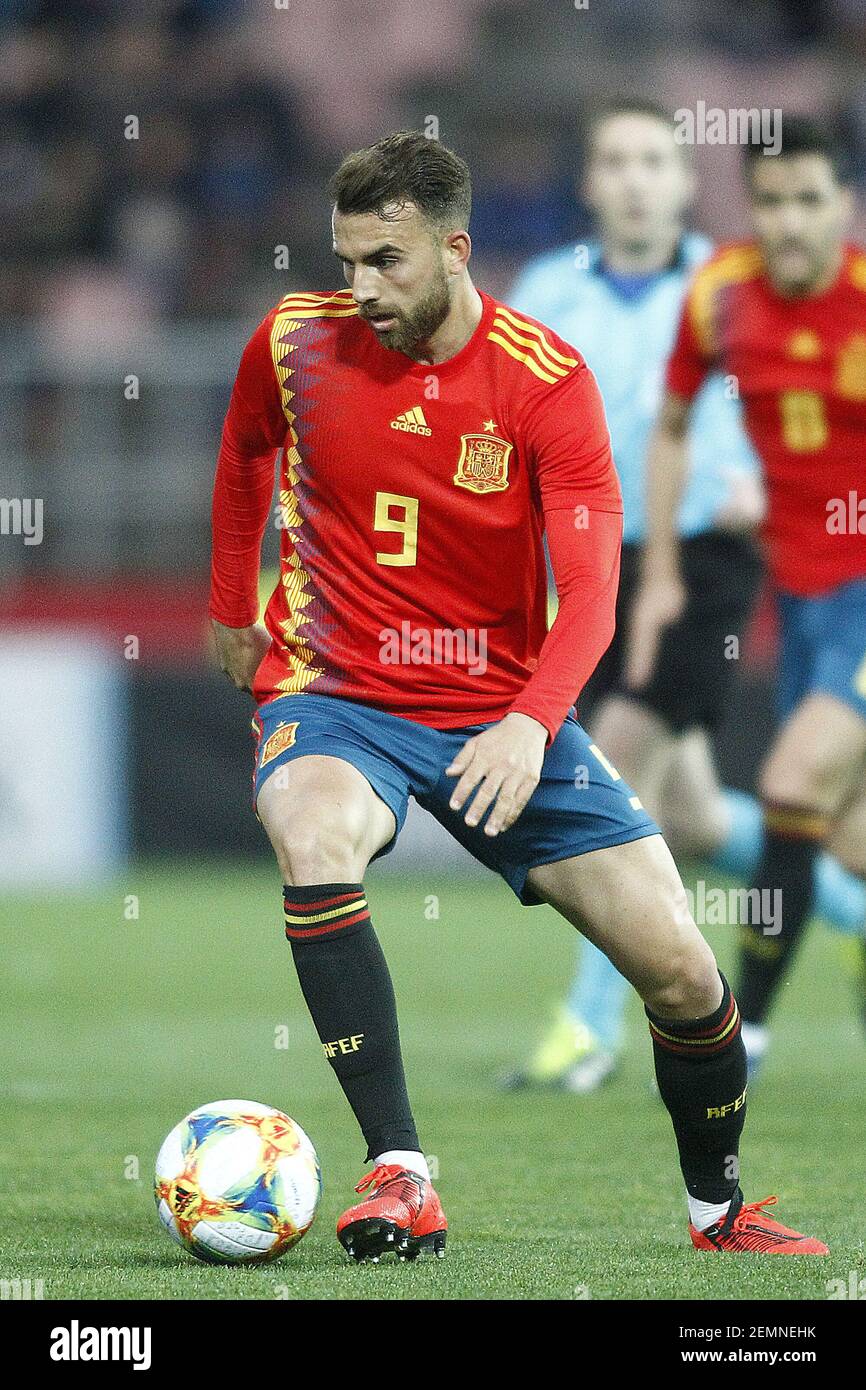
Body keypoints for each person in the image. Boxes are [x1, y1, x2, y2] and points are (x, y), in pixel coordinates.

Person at [209, 130, 827, 1260]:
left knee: (683, 970)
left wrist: (531, 721)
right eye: (346, 259)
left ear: (453, 249)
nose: (359, 288)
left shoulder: (544, 381)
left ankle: (717, 1212)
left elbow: (589, 595)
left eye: (384, 263)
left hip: (499, 701)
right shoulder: (293, 344)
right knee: (310, 831)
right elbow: (247, 447)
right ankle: (398, 1170)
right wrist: (225, 601)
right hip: (337, 690)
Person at [504, 100, 865, 1093]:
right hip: (595, 569)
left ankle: (594, 1026)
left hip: (712, 559)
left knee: (607, 771)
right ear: (588, 182)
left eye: (651, 161)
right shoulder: (550, 292)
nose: (630, 180)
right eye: (611, 160)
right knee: (699, 818)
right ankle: (851, 916)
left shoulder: (731, 278)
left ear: (679, 180)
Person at [632, 116, 866, 1078]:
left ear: (844, 205)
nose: (788, 223)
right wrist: (660, 572)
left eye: (809, 200)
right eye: (770, 201)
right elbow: (674, 427)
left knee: (786, 782)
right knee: (851, 844)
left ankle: (747, 1033)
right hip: (804, 600)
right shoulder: (721, 294)